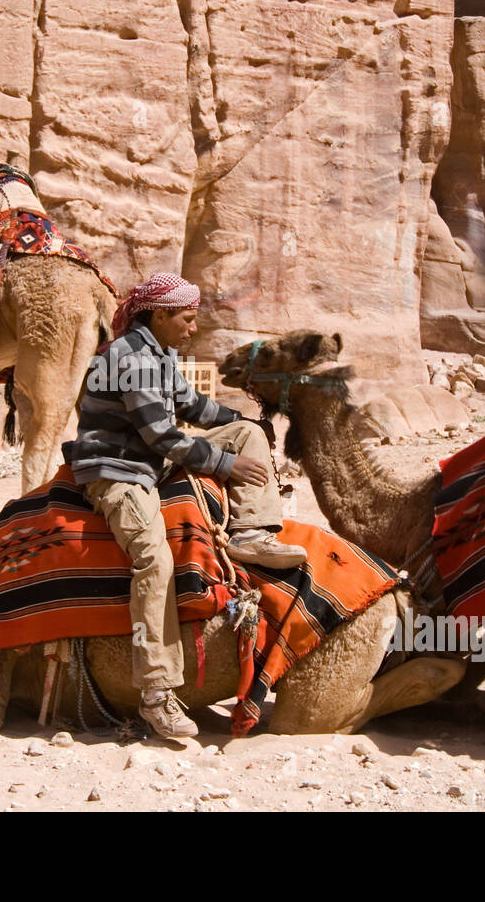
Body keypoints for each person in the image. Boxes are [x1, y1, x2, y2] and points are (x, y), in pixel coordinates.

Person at [63, 272, 306, 737]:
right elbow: (161, 434)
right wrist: (225, 464)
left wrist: (247, 422)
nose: (193, 328)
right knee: (154, 561)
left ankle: (252, 533)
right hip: (119, 470)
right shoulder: (129, 358)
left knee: (247, 434)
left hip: (150, 460)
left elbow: (193, 406)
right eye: (188, 319)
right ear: (160, 314)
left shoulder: (160, 353)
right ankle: (156, 691)